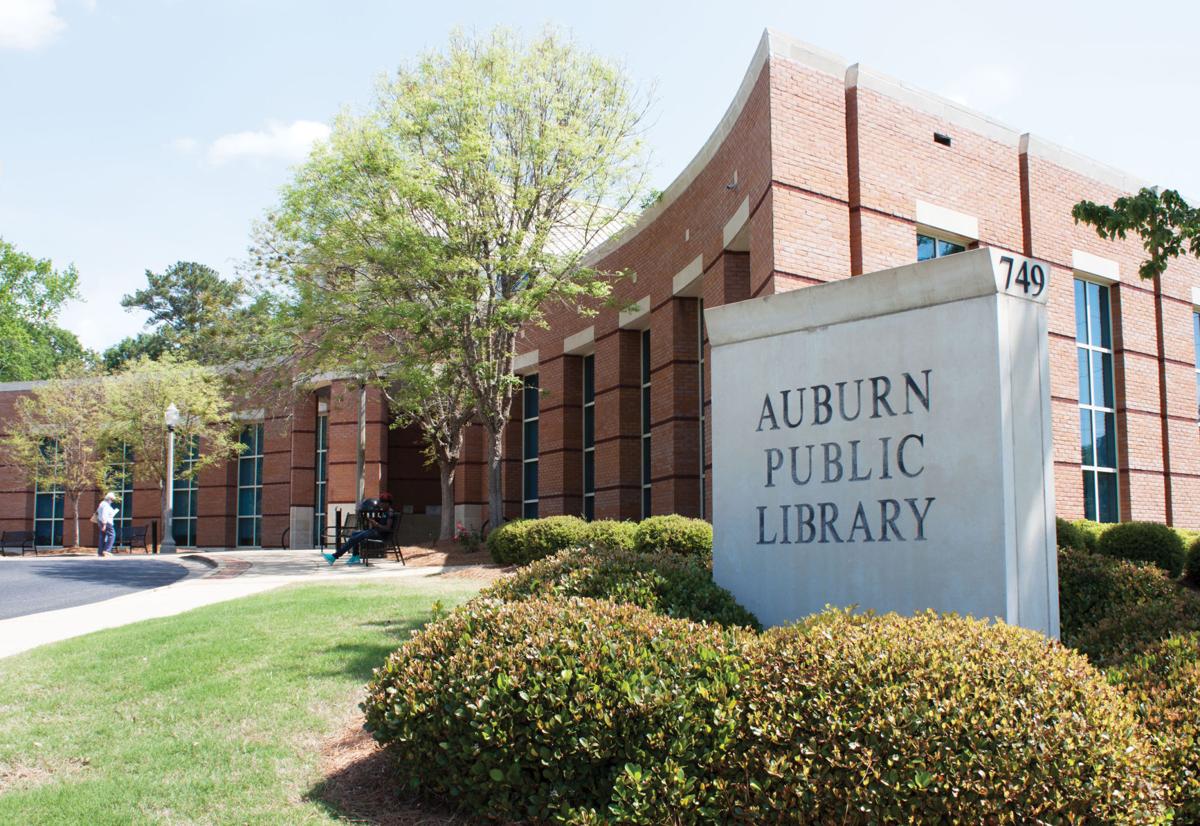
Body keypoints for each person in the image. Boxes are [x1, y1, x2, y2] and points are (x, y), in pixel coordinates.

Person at [323, 492, 394, 565]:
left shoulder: (390, 513)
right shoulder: (385, 512)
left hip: (381, 535)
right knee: (354, 533)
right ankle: (355, 556)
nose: (380, 505)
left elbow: (387, 528)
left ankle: (334, 556)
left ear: (387, 503)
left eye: (382, 503)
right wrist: (375, 520)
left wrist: (376, 524)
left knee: (355, 538)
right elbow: (382, 523)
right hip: (376, 532)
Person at [96, 492, 119, 557]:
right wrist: (104, 524)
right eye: (112, 500)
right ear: (109, 498)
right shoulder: (106, 505)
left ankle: (100, 552)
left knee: (102, 536)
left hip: (101, 521)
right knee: (112, 535)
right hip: (107, 522)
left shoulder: (102, 504)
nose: (112, 501)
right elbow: (104, 514)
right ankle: (107, 550)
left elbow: (98, 513)